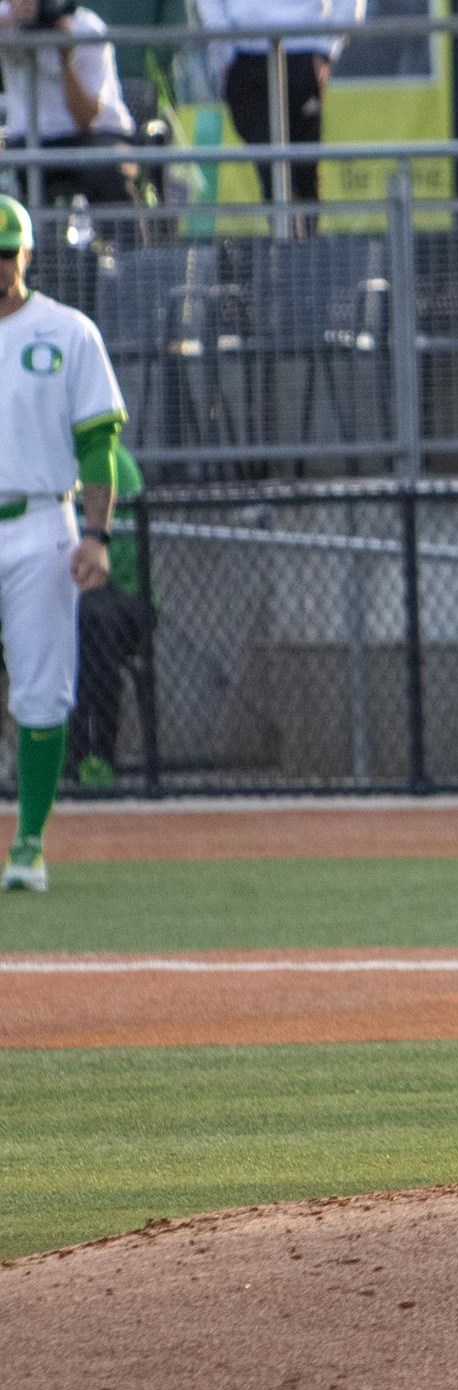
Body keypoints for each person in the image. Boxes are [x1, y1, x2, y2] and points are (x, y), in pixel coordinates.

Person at [0, 193, 124, 892]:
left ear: (27, 254)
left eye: (6, 252)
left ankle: (28, 845)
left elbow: (99, 440)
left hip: (41, 521)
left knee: (42, 691)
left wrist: (99, 535)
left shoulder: (68, 331)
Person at [195, 0, 364, 218]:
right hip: (245, 58)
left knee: (305, 169)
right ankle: (286, 243)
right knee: (270, 169)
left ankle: (305, 247)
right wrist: (225, 52)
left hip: (303, 55)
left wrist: (326, 49)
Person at [0, 0, 142, 206]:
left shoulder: (88, 28)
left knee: (108, 170)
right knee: (15, 175)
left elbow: (85, 119)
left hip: (97, 135)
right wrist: (9, 19)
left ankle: (126, 239)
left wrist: (66, 58)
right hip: (28, 139)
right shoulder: (7, 20)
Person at [67, 438, 143, 788]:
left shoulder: (115, 466)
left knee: (91, 622)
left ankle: (94, 754)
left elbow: (119, 565)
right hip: (65, 595)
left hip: (122, 600)